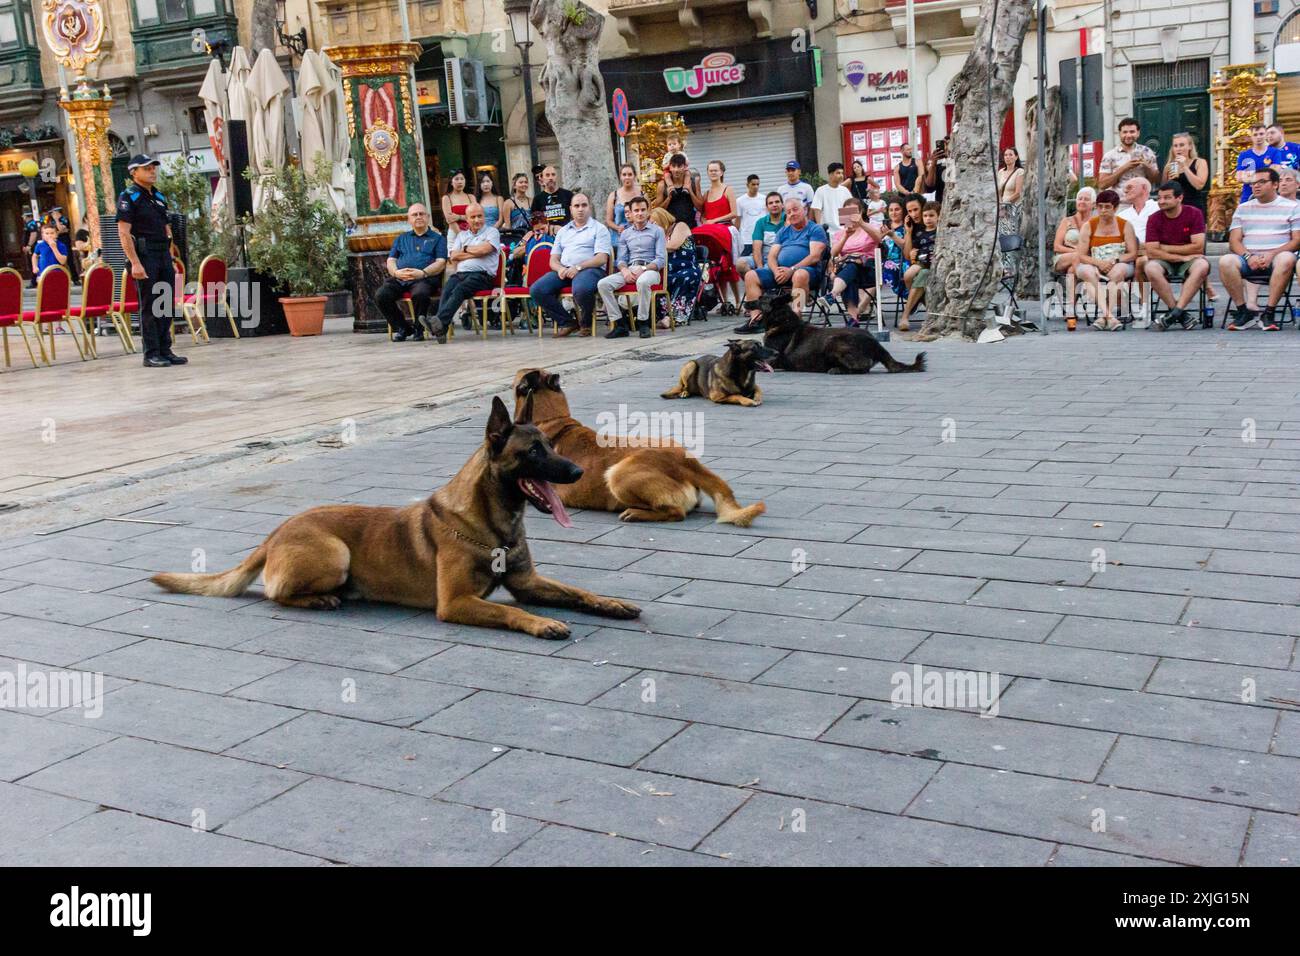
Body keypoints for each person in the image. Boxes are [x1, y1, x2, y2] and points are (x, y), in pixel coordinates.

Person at [117, 154, 185, 368]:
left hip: (162, 254)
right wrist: (134, 262)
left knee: (165, 303)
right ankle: (151, 353)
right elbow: (123, 232)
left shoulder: (158, 197)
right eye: (147, 168)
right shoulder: (129, 197)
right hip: (144, 256)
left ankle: (165, 349)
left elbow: (167, 228)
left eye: (154, 167)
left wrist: (172, 256)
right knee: (149, 305)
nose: (152, 171)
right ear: (134, 173)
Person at [1219, 167, 1299, 331]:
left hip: (1277, 257)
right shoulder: (1243, 208)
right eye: (1254, 183)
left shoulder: (1292, 207)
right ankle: (1243, 311)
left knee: (1287, 258)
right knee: (1226, 261)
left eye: (1262, 182)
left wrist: (1271, 254)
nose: (1256, 186)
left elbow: (1297, 240)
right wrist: (1249, 257)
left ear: (1275, 184)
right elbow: (1234, 241)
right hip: (1248, 258)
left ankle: (1269, 312)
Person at [734, 195, 827, 333]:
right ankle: (757, 319)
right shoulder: (784, 231)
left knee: (799, 275)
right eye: (789, 212)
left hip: (807, 271)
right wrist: (776, 270)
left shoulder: (815, 229)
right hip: (781, 272)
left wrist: (792, 269)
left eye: (795, 210)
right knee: (751, 275)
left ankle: (796, 317)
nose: (792, 214)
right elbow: (772, 256)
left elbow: (814, 256)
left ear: (805, 210)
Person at [529, 192, 611, 337]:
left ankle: (586, 323)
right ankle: (567, 322)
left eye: (584, 205)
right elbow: (553, 259)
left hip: (590, 270)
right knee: (537, 290)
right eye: (577, 206)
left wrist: (578, 267)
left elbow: (601, 258)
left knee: (580, 288)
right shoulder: (563, 231)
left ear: (589, 208)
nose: (580, 209)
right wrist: (560, 268)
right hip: (565, 270)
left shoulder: (599, 229)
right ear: (571, 209)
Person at [425, 202, 499, 342]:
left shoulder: (492, 232)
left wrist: (464, 249)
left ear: (484, 217)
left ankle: (438, 323)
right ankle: (441, 328)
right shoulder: (462, 235)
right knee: (447, 289)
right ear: (466, 219)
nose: (477, 220)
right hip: (461, 274)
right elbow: (453, 256)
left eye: (479, 216)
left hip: (483, 276)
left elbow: (485, 250)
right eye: (473, 217)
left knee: (460, 289)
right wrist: (475, 252)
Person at [374, 203, 447, 341]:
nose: (418, 217)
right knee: (381, 295)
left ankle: (419, 329)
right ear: (409, 219)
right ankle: (403, 328)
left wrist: (423, 273)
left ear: (428, 217)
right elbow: (391, 260)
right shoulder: (401, 238)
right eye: (415, 214)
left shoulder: (438, 239)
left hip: (424, 279)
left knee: (420, 293)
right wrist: (396, 273)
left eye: (421, 214)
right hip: (400, 278)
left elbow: (441, 262)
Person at [1142, 181, 1208, 331]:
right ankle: (1179, 313)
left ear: (1180, 198)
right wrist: (1179, 256)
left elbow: (1198, 246)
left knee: (1202, 265)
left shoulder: (1194, 213)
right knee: (1151, 268)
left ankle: (1175, 313)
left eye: (1167, 197)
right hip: (1167, 260)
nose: (1161, 202)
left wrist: (1164, 247)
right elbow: (1151, 251)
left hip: (1189, 260)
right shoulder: (1154, 218)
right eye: (1159, 198)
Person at [597, 195, 665, 339]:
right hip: (630, 269)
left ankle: (643, 323)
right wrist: (625, 270)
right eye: (636, 211)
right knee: (603, 284)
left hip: (650, 271)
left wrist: (644, 269)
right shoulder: (625, 234)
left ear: (648, 212)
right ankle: (619, 324)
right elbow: (621, 259)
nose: (640, 213)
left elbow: (660, 259)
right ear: (631, 213)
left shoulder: (657, 231)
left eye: (642, 210)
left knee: (642, 281)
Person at [1075, 188, 1138, 330]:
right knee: (1087, 273)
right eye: (1100, 206)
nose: (1103, 210)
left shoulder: (1125, 225)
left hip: (1118, 262)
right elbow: (1082, 255)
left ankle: (1104, 317)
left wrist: (1114, 261)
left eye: (1107, 207)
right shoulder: (1089, 226)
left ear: (1115, 208)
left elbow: (1132, 253)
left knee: (1117, 273)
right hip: (1093, 262)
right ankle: (1109, 316)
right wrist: (1099, 263)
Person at [824, 199, 884, 327]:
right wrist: (845, 236)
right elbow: (833, 253)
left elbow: (879, 239)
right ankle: (853, 319)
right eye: (847, 211)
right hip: (848, 271)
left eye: (853, 211)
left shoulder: (869, 228)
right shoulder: (840, 233)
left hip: (868, 269)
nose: (850, 215)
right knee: (850, 272)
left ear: (860, 212)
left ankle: (833, 294)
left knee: (851, 266)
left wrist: (861, 223)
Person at [694, 160, 742, 313]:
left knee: (729, 266)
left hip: (725, 229)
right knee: (717, 266)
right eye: (710, 170)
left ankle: (738, 301)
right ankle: (725, 302)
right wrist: (705, 222)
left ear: (721, 172)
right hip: (711, 232)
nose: (713, 173)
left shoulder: (728, 189)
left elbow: (734, 213)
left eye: (716, 170)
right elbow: (702, 214)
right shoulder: (706, 193)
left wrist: (714, 220)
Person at [1052, 186, 1096, 330]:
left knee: (1072, 270)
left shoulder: (1096, 223)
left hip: (1082, 263)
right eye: (1080, 198)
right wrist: (1078, 251)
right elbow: (1057, 247)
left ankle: (1071, 311)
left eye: (1086, 199)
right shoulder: (1067, 221)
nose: (1082, 201)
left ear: (1093, 204)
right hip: (1062, 258)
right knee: (1075, 259)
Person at [1118, 177, 1160, 323]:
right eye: (1125, 187)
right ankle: (1122, 309)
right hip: (1129, 254)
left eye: (1130, 187)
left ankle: (1144, 305)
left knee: (1141, 261)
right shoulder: (1122, 215)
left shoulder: (1157, 208)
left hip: (1154, 253)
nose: (1125, 190)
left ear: (1143, 188)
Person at [651, 206, 699, 329]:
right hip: (668, 271)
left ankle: (671, 317)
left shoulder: (679, 226)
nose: (652, 226)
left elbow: (673, 245)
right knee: (658, 279)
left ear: (662, 219)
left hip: (688, 268)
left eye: (654, 222)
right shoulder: (659, 235)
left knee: (684, 278)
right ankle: (657, 316)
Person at [899, 201, 939, 330]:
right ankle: (918, 303)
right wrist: (908, 233)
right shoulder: (920, 233)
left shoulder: (942, 232)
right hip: (922, 262)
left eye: (931, 216)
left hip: (935, 265)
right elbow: (910, 253)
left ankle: (905, 315)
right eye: (925, 216)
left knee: (922, 274)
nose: (927, 219)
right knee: (908, 275)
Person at [1098, 117, 1159, 196]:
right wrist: (1125, 168)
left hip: (1142, 201)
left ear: (1138, 133)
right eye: (1125, 132)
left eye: (1132, 132)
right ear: (1119, 133)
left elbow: (1156, 180)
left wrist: (1147, 167)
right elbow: (1102, 185)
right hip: (1119, 203)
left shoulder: (1147, 152)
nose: (1128, 135)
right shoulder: (1110, 155)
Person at [1163, 131, 1209, 216]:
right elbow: (1164, 189)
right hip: (1174, 208)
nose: (1178, 148)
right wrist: (1165, 173)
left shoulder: (1199, 162)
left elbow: (1199, 185)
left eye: (1182, 145)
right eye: (1175, 146)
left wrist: (1185, 167)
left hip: (1193, 206)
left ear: (1190, 146)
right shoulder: (1171, 166)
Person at [1235, 124, 1282, 205]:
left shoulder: (1274, 152)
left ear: (1266, 135)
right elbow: (1239, 177)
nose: (1258, 137)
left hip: (1270, 196)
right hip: (1248, 196)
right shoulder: (1244, 155)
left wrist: (1249, 176)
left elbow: (1275, 173)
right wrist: (1264, 177)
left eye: (1261, 134)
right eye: (1255, 135)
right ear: (1251, 137)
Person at [739, 191, 784, 275]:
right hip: (763, 257)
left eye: (777, 202)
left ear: (782, 205)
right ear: (766, 207)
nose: (774, 205)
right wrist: (760, 268)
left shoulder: (788, 220)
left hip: (781, 258)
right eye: (770, 203)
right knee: (740, 263)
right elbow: (756, 248)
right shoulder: (761, 222)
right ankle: (755, 282)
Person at [654, 153, 701, 227]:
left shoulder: (693, 182)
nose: (676, 170)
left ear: (685, 167)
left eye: (679, 166)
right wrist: (668, 198)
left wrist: (690, 191)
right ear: (669, 168)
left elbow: (701, 208)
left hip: (691, 227)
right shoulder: (662, 185)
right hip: (671, 228)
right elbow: (657, 211)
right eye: (673, 166)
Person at [811, 162, 853, 236]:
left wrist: (847, 229)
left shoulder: (845, 190)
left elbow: (848, 210)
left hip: (842, 231)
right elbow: (817, 209)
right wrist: (819, 228)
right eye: (838, 173)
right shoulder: (821, 190)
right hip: (827, 231)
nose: (841, 176)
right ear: (830, 174)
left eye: (842, 173)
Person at [530, 165, 573, 233]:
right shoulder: (537, 199)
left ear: (556, 177)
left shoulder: (568, 195)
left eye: (553, 175)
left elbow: (575, 217)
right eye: (547, 175)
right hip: (547, 236)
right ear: (542, 178)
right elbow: (535, 223)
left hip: (567, 234)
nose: (550, 178)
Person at [605, 162, 640, 236]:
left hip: (639, 237)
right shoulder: (613, 196)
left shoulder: (642, 195)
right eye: (624, 175)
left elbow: (649, 217)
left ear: (634, 176)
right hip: (619, 238)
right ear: (620, 177)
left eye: (630, 174)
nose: (627, 177)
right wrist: (618, 228)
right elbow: (608, 220)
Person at [736, 174, 766, 249]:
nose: (756, 187)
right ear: (747, 185)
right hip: (746, 240)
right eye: (753, 184)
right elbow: (738, 221)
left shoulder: (764, 199)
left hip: (762, 238)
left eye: (757, 184)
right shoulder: (739, 201)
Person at [441, 169, 472, 239]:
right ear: (451, 182)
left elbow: (475, 216)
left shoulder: (471, 197)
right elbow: (449, 219)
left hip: (472, 233)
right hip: (455, 234)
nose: (460, 182)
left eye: (462, 179)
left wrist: (458, 217)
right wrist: (461, 235)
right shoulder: (446, 198)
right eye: (456, 179)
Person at [503, 172, 533, 236]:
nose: (524, 184)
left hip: (531, 236)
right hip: (516, 237)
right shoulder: (508, 203)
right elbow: (507, 226)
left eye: (526, 182)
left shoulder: (531, 201)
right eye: (521, 182)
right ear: (514, 185)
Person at [922, 138, 950, 206]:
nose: (946, 148)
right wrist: (933, 162)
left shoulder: (958, 165)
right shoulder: (938, 167)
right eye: (944, 145)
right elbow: (929, 186)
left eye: (948, 145)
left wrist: (950, 158)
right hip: (941, 204)